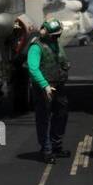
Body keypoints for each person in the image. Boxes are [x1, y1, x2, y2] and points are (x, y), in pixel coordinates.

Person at [26, 18, 70, 163]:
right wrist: (44, 85)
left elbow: (61, 60)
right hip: (44, 88)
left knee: (61, 115)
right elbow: (33, 68)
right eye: (54, 35)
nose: (57, 37)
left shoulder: (56, 44)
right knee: (44, 119)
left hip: (59, 85)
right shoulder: (36, 47)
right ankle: (46, 149)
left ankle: (56, 146)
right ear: (45, 33)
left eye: (58, 35)